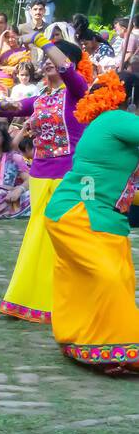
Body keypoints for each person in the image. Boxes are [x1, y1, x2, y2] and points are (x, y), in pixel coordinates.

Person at [0, 34, 89, 323]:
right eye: (44, 60)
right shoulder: (41, 98)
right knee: (37, 237)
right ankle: (27, 300)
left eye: (52, 58)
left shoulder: (77, 93)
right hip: (41, 174)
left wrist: (41, 39)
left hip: (69, 174)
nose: (46, 63)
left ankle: (67, 302)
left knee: (65, 237)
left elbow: (69, 71)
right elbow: (4, 109)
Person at [44, 72, 139, 371]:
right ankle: (114, 348)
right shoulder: (115, 120)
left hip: (96, 217)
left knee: (108, 281)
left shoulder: (109, 127)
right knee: (108, 278)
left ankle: (86, 343)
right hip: (80, 213)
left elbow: (122, 185)